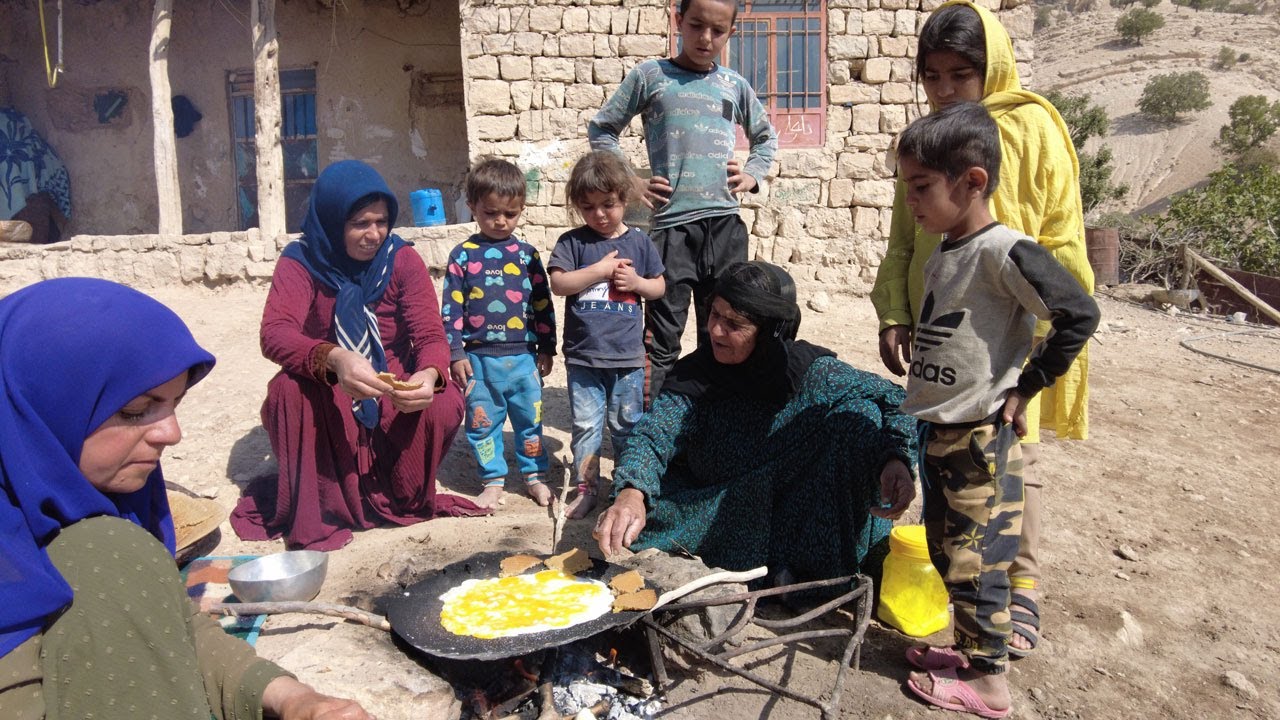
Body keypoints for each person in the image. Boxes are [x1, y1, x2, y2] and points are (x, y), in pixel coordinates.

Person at [0, 277, 373, 720]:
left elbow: (169, 623)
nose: (171, 434)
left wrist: (292, 698)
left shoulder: (91, 498)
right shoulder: (93, 552)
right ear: (42, 404)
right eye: (136, 411)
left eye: (174, 404)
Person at [868, 0, 1095, 657]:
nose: (943, 91)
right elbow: (901, 237)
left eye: (959, 76)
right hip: (945, 336)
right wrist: (895, 310)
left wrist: (1049, 349)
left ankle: (1019, 590)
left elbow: (1061, 234)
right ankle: (970, 604)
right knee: (951, 476)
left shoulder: (1031, 129)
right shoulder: (929, 142)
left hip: (1009, 335)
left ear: (990, 67)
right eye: (931, 77)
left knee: (1011, 468)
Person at [893, 103, 1100, 718]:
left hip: (978, 440)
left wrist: (1028, 385)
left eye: (922, 188)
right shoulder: (946, 248)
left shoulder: (1004, 251)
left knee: (976, 562)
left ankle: (990, 685)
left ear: (973, 181)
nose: (913, 204)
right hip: (942, 435)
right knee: (948, 552)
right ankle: (968, 650)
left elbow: (1078, 313)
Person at [592, 261, 916, 585]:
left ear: (769, 332)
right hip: (723, 501)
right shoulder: (696, 375)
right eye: (715, 315)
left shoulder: (811, 373)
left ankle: (821, 568)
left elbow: (892, 400)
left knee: (861, 417)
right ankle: (781, 567)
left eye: (735, 323)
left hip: (799, 497)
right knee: (643, 517)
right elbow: (654, 433)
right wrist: (632, 491)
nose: (716, 331)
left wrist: (895, 459)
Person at [231, 159, 484, 551]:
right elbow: (275, 334)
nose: (373, 234)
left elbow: (431, 334)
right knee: (287, 392)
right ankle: (328, 503)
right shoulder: (302, 263)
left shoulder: (400, 259)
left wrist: (428, 376)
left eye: (381, 222)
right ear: (333, 222)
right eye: (359, 224)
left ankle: (403, 492)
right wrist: (334, 359)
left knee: (444, 399)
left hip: (390, 382)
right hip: (331, 384)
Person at [587, 0, 777, 401]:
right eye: (696, 25)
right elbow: (602, 129)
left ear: (731, 32)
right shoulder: (650, 76)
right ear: (678, 20)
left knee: (724, 331)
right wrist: (632, 183)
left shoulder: (734, 85)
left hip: (725, 227)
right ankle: (658, 426)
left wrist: (751, 175)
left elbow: (765, 136)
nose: (706, 38)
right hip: (672, 229)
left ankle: (713, 420)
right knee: (663, 336)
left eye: (718, 30)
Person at [548, 151, 666, 519]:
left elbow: (659, 287)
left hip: (627, 358)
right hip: (585, 358)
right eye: (589, 207)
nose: (600, 214)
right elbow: (559, 283)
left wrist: (637, 283)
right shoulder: (573, 243)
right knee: (585, 426)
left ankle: (626, 489)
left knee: (628, 426)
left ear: (625, 198)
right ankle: (587, 490)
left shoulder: (641, 243)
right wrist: (599, 270)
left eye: (608, 205)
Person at [441, 158, 557, 510]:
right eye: (491, 212)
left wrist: (547, 346)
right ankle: (492, 480)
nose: (501, 221)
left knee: (530, 421)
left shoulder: (527, 255)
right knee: (482, 424)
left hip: (523, 358)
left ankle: (534, 477)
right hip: (479, 360)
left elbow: (542, 303)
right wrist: (456, 353)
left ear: (521, 209)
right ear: (473, 206)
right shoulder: (463, 256)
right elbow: (451, 310)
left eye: (511, 213)